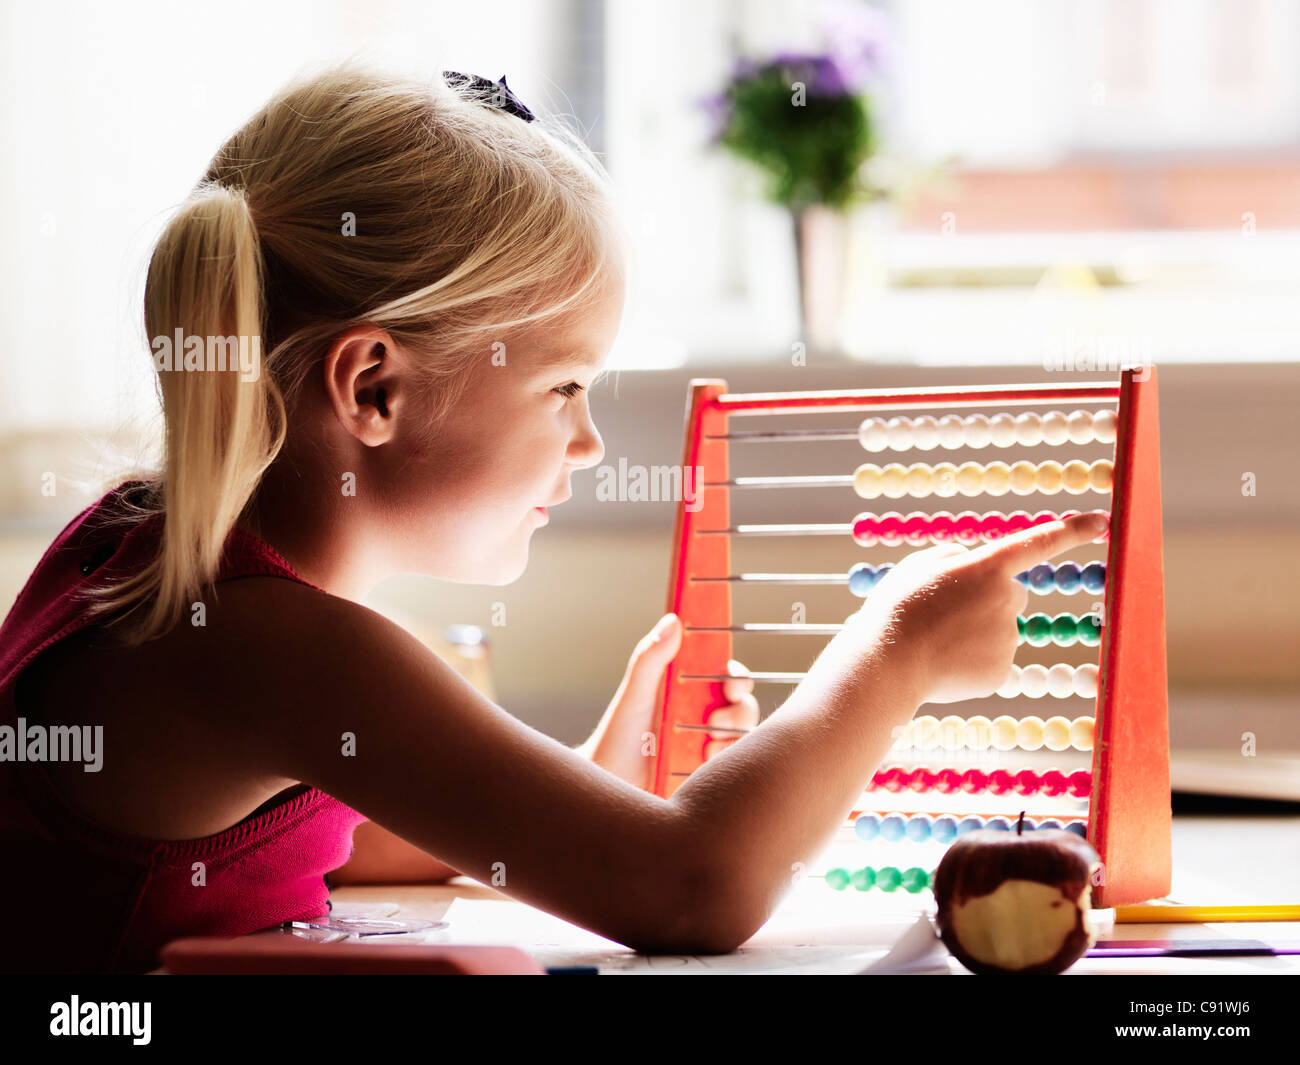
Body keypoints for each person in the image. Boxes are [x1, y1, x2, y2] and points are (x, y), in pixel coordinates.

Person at [0, 60, 1110, 972]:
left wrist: (586, 789)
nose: (586, 444)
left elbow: (331, 840)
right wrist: (898, 647)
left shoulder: (142, 548)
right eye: (564, 387)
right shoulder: (265, 641)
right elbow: (693, 891)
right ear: (373, 389)